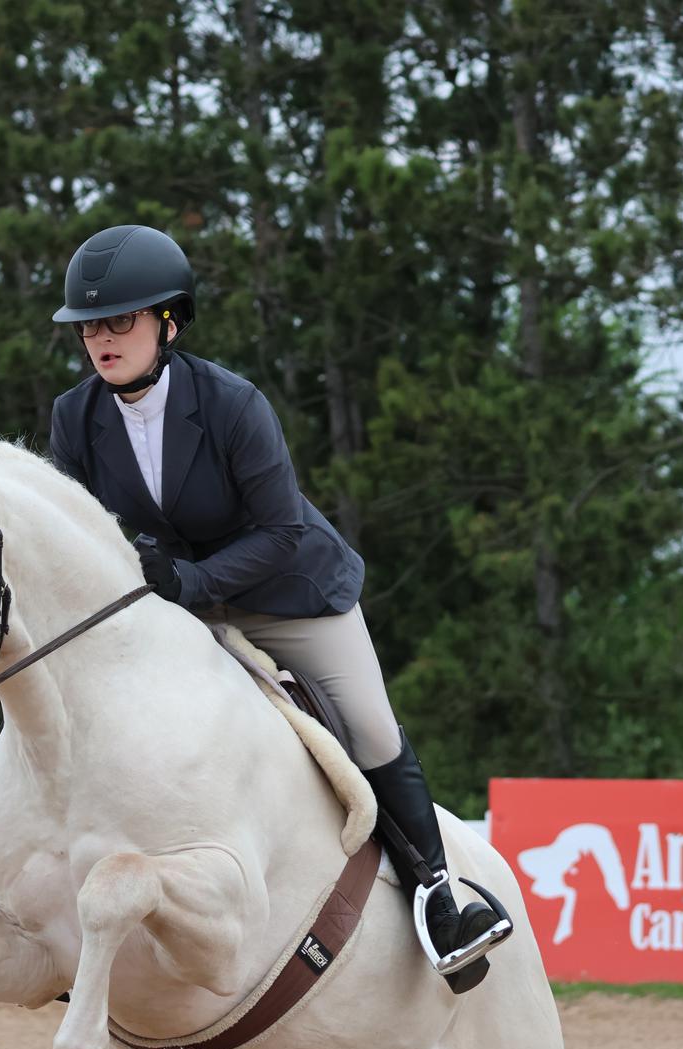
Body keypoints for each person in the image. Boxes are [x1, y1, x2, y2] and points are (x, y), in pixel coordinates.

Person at [48, 223, 508, 993]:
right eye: (90, 325)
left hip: (290, 594)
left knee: (366, 723)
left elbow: (282, 531)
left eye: (119, 321)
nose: (101, 339)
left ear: (169, 321)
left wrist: (191, 582)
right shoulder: (75, 417)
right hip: (171, 613)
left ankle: (438, 897)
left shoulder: (231, 403)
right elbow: (76, 532)